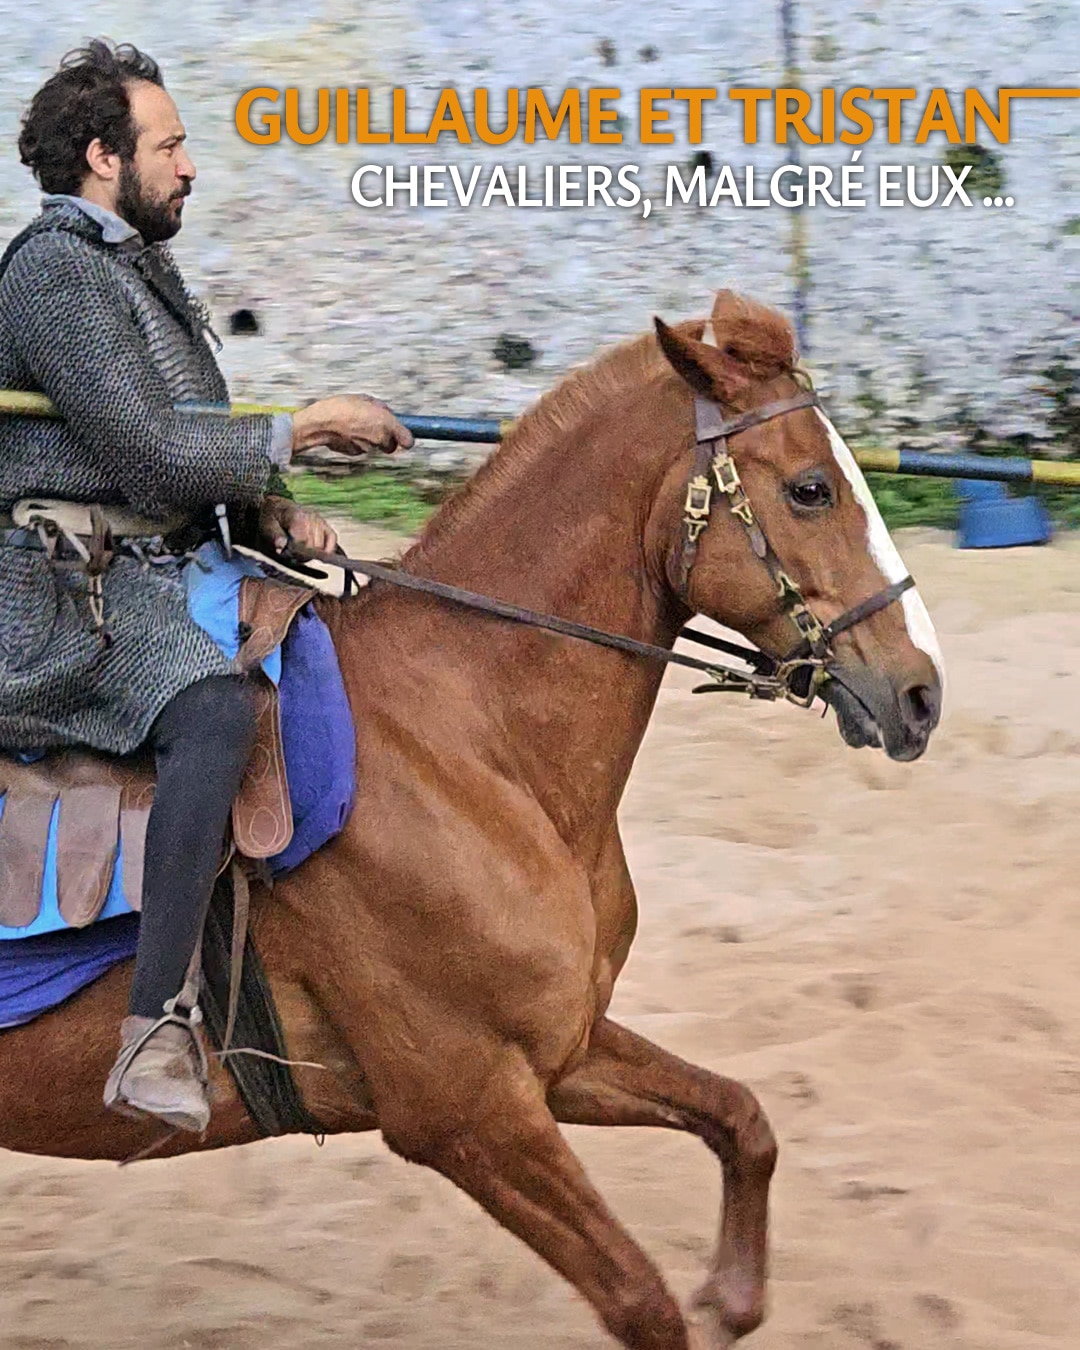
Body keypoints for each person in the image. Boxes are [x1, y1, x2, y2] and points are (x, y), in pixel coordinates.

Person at [0, 40, 413, 1133]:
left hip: (152, 567)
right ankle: (154, 1027)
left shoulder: (135, 270)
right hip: (62, 599)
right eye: (170, 145)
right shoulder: (53, 271)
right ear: (101, 156)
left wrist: (265, 505)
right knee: (215, 710)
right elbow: (148, 454)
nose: (189, 166)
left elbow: (188, 453)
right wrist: (304, 426)